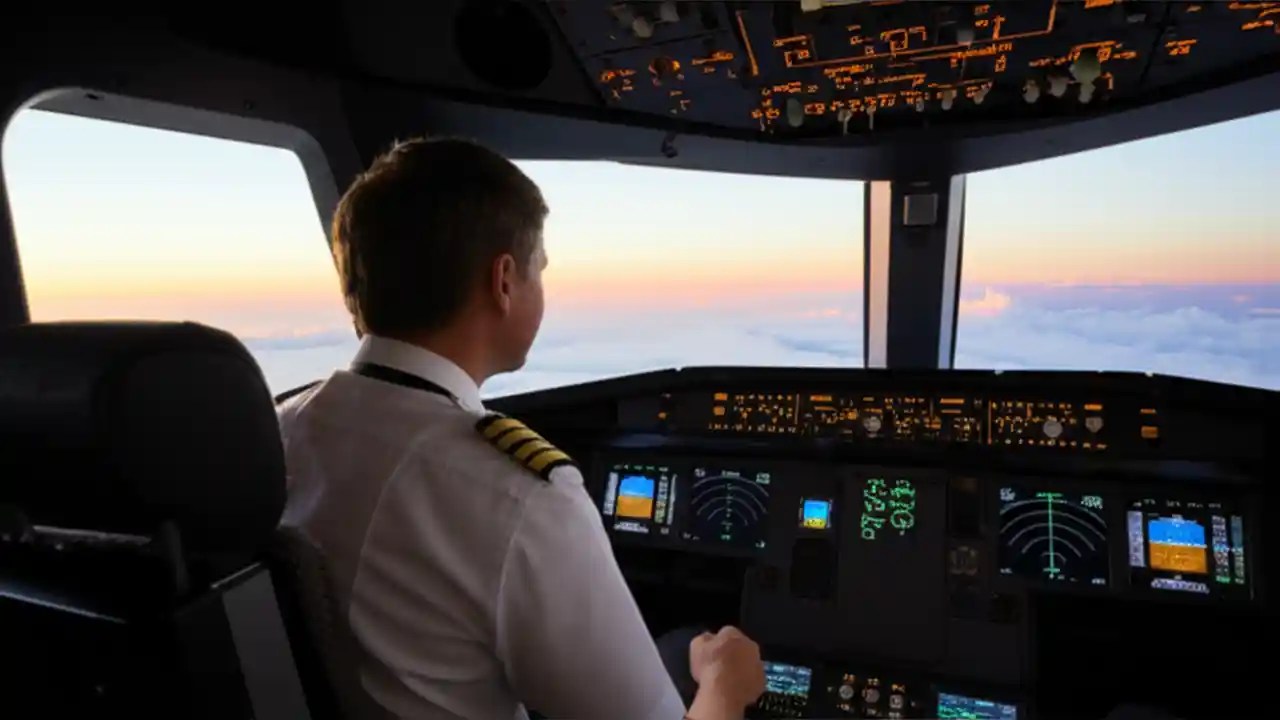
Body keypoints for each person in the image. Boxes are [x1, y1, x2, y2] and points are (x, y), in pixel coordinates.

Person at [277, 137, 765, 720]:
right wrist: (724, 684)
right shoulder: (519, 496)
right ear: (504, 281)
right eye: (540, 271)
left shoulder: (277, 429)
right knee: (690, 655)